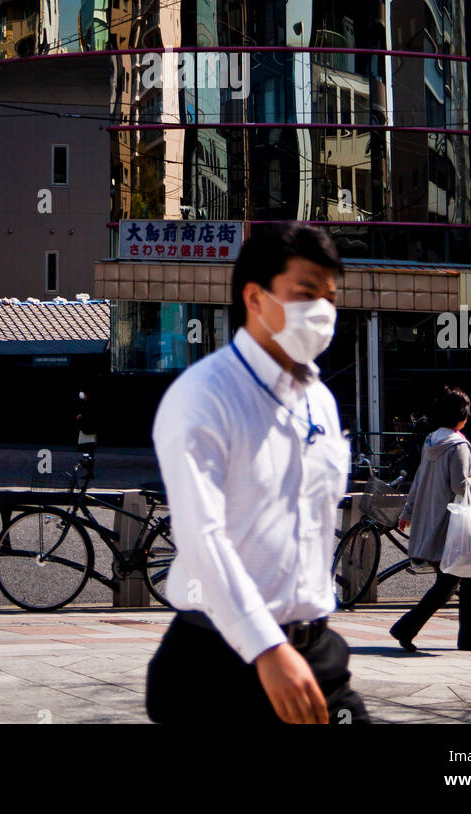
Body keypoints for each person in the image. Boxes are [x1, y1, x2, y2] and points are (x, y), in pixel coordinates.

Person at [146, 222, 369, 726]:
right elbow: (203, 538)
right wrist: (266, 646)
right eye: (305, 293)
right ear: (255, 296)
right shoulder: (203, 396)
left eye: (330, 298)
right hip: (220, 666)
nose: (322, 311)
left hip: (317, 654)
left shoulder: (321, 400)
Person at [389, 386, 471, 654]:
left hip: (433, 523)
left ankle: (468, 637)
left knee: (459, 581)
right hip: (453, 527)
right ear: (463, 418)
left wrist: (408, 511)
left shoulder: (431, 441)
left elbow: (420, 478)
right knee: (459, 581)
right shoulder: (459, 445)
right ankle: (414, 629)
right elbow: (460, 486)